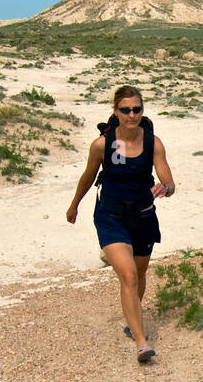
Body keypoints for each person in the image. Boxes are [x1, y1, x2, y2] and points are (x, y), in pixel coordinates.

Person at [67, 84, 175, 363]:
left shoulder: (153, 142)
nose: (131, 115)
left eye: (136, 109)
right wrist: (74, 204)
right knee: (127, 275)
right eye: (125, 110)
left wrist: (165, 187)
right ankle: (141, 342)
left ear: (142, 111)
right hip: (110, 216)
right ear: (115, 112)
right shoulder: (103, 145)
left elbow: (169, 181)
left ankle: (132, 319)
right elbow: (88, 176)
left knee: (139, 275)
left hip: (143, 216)